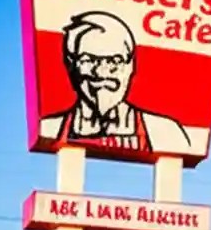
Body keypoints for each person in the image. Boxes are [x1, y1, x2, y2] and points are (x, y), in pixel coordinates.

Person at [39, 10, 192, 153]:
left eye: (114, 61)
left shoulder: (165, 133)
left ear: (130, 66)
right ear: (71, 65)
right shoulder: (49, 129)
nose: (101, 72)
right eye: (89, 60)